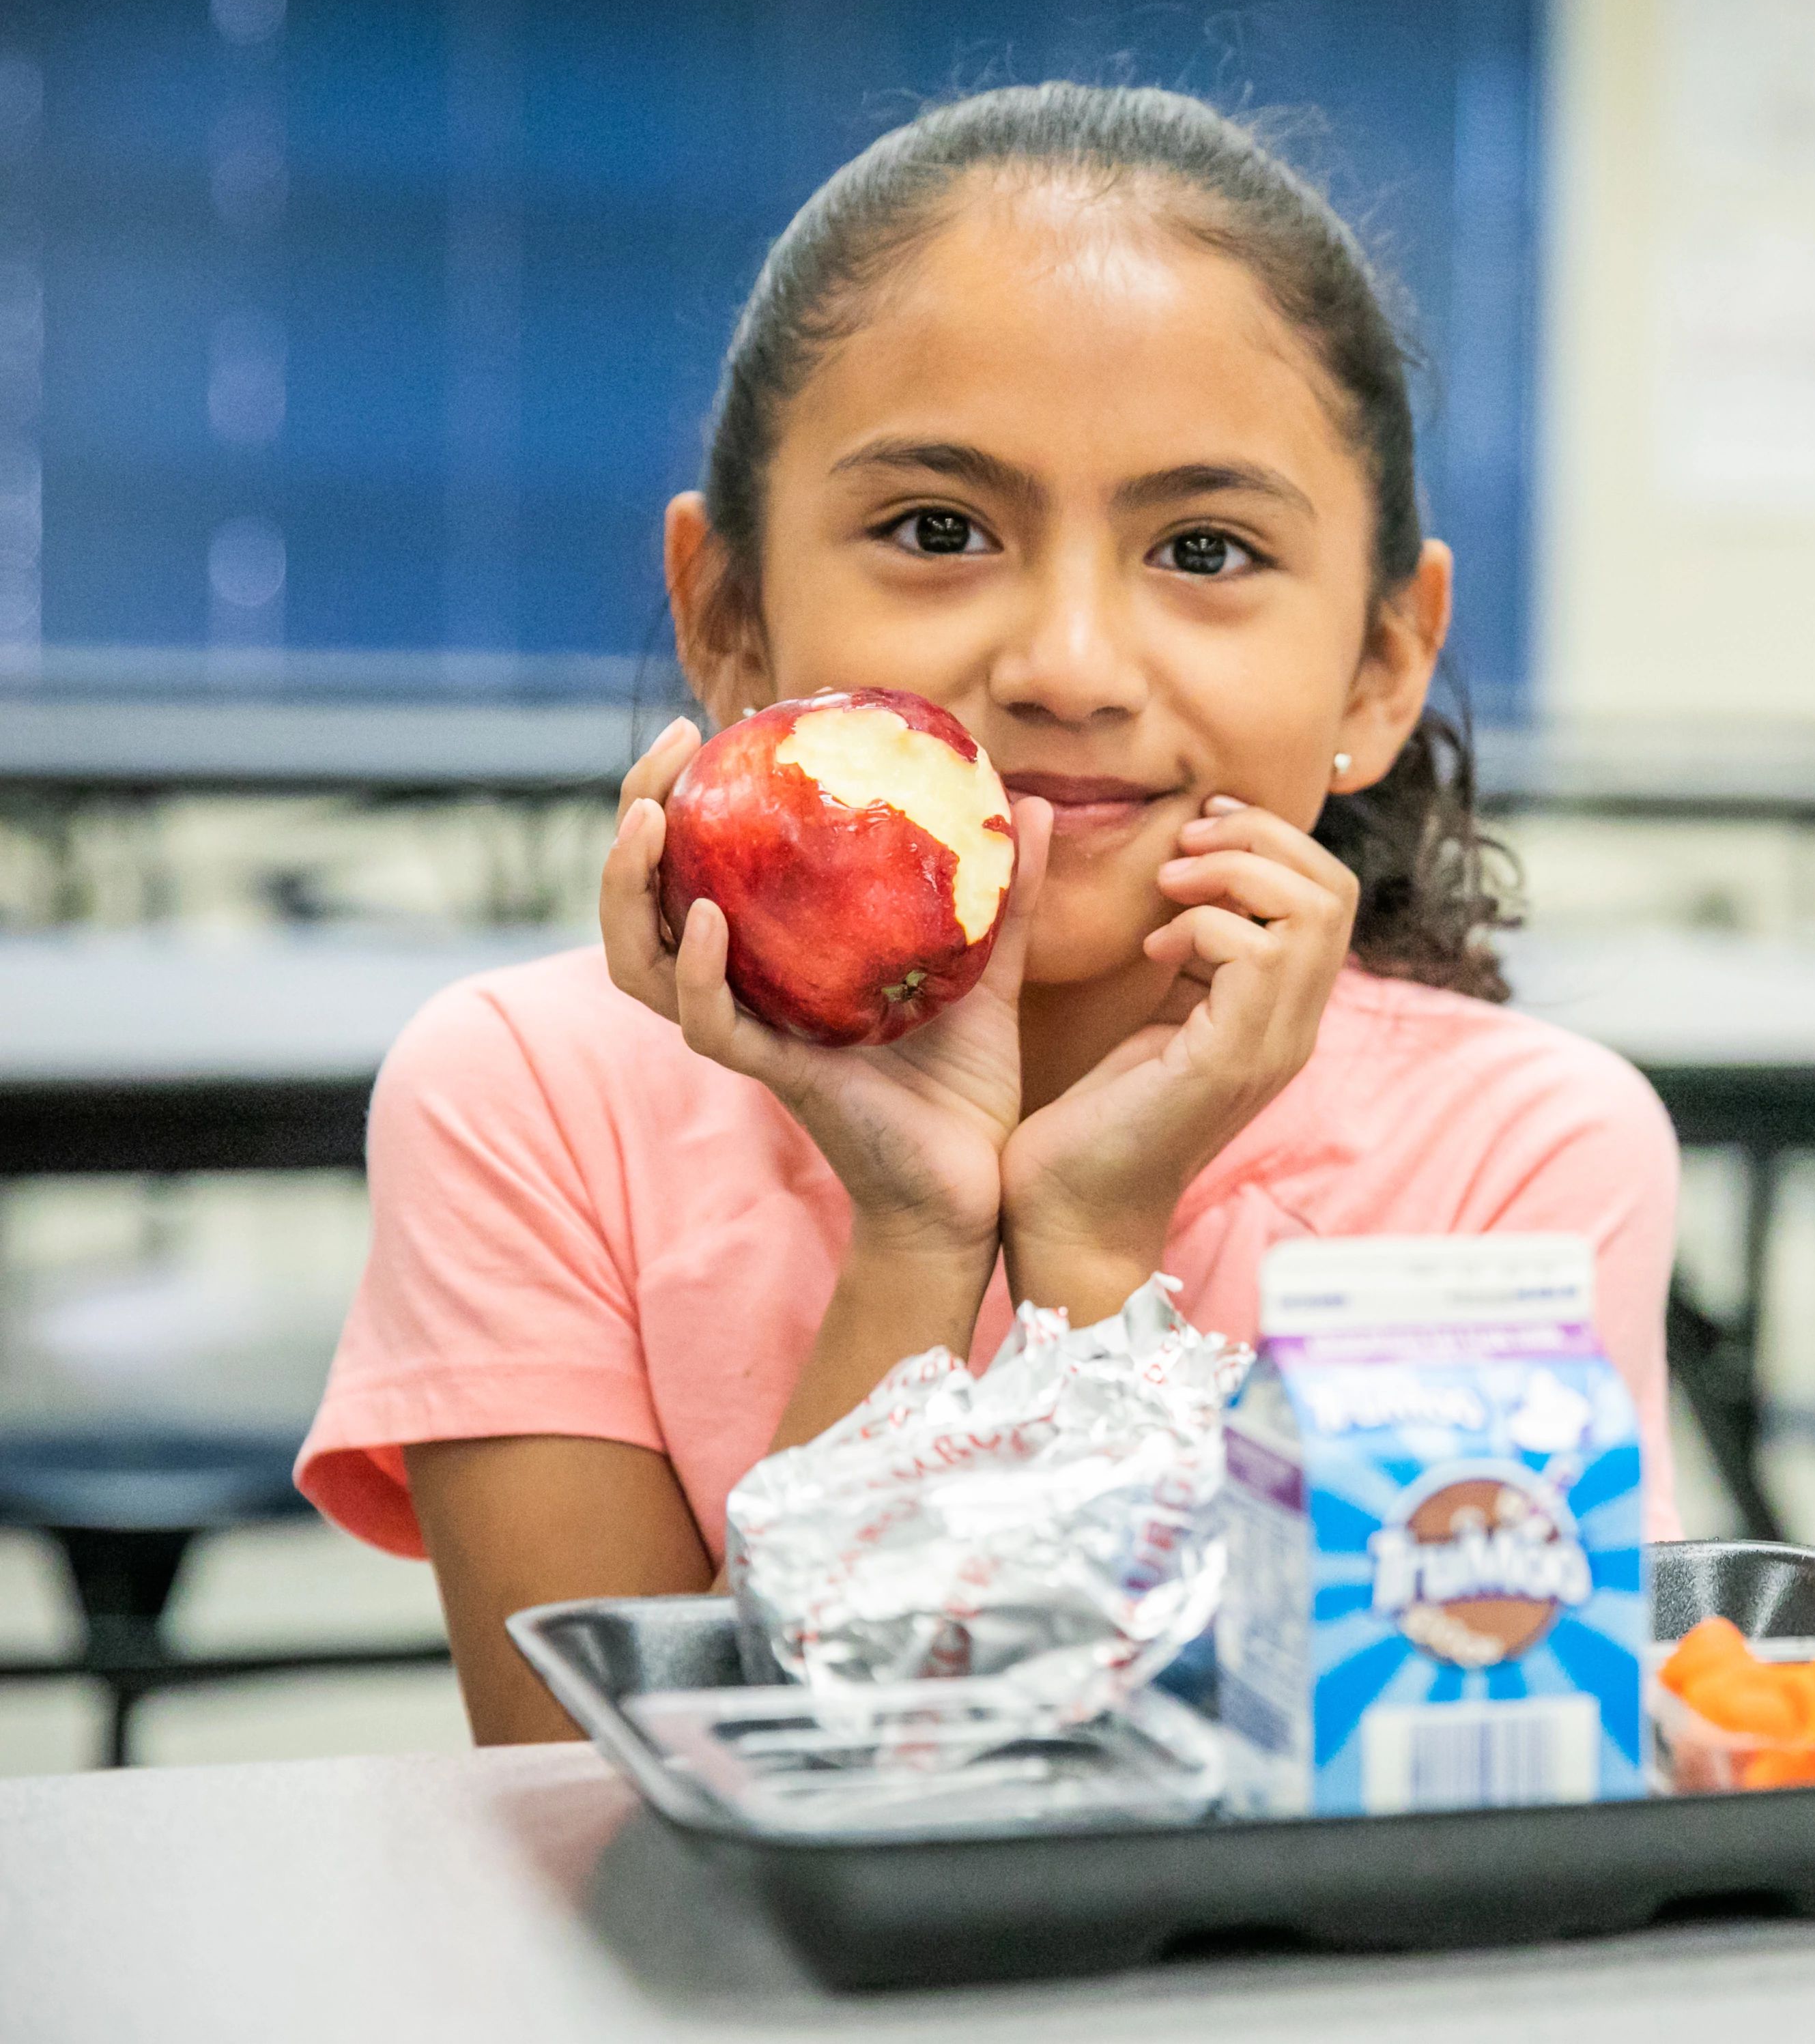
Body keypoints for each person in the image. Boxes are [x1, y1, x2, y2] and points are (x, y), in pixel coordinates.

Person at [295, 85, 1682, 1743]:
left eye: (1208, 546)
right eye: (938, 530)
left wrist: (1089, 1253)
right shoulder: (529, 1101)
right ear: (729, 617)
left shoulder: (1524, 1158)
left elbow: (1363, 1794)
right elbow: (609, 1807)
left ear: (1381, 665)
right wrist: (920, 1239)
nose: (1071, 667)